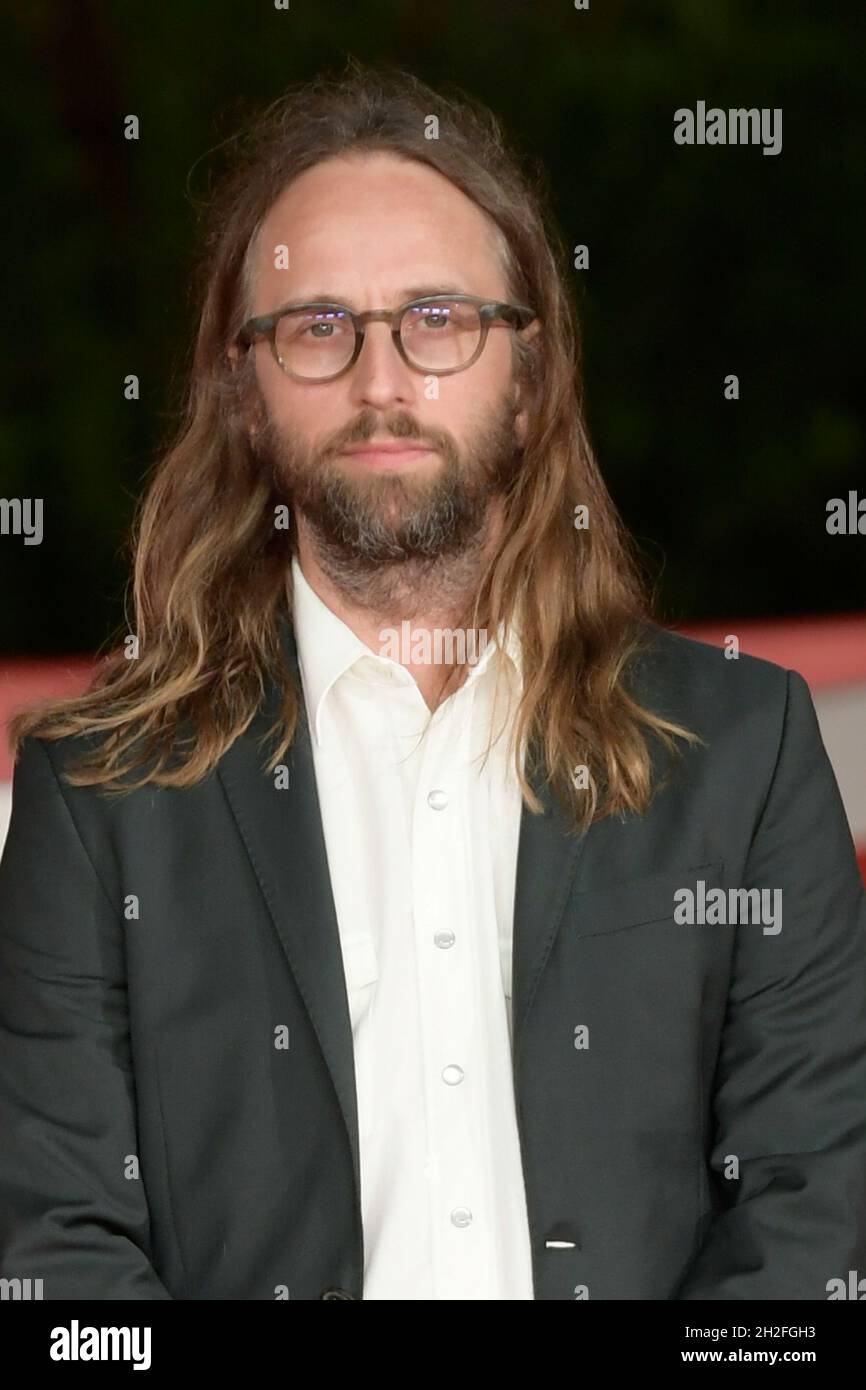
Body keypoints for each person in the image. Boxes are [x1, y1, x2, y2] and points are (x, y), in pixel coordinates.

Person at [1, 61, 864, 1301]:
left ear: (527, 373)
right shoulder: (96, 794)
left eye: (438, 318)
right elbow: (59, 1259)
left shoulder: (741, 747)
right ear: (242, 391)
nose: (380, 380)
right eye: (318, 327)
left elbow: (809, 1207)